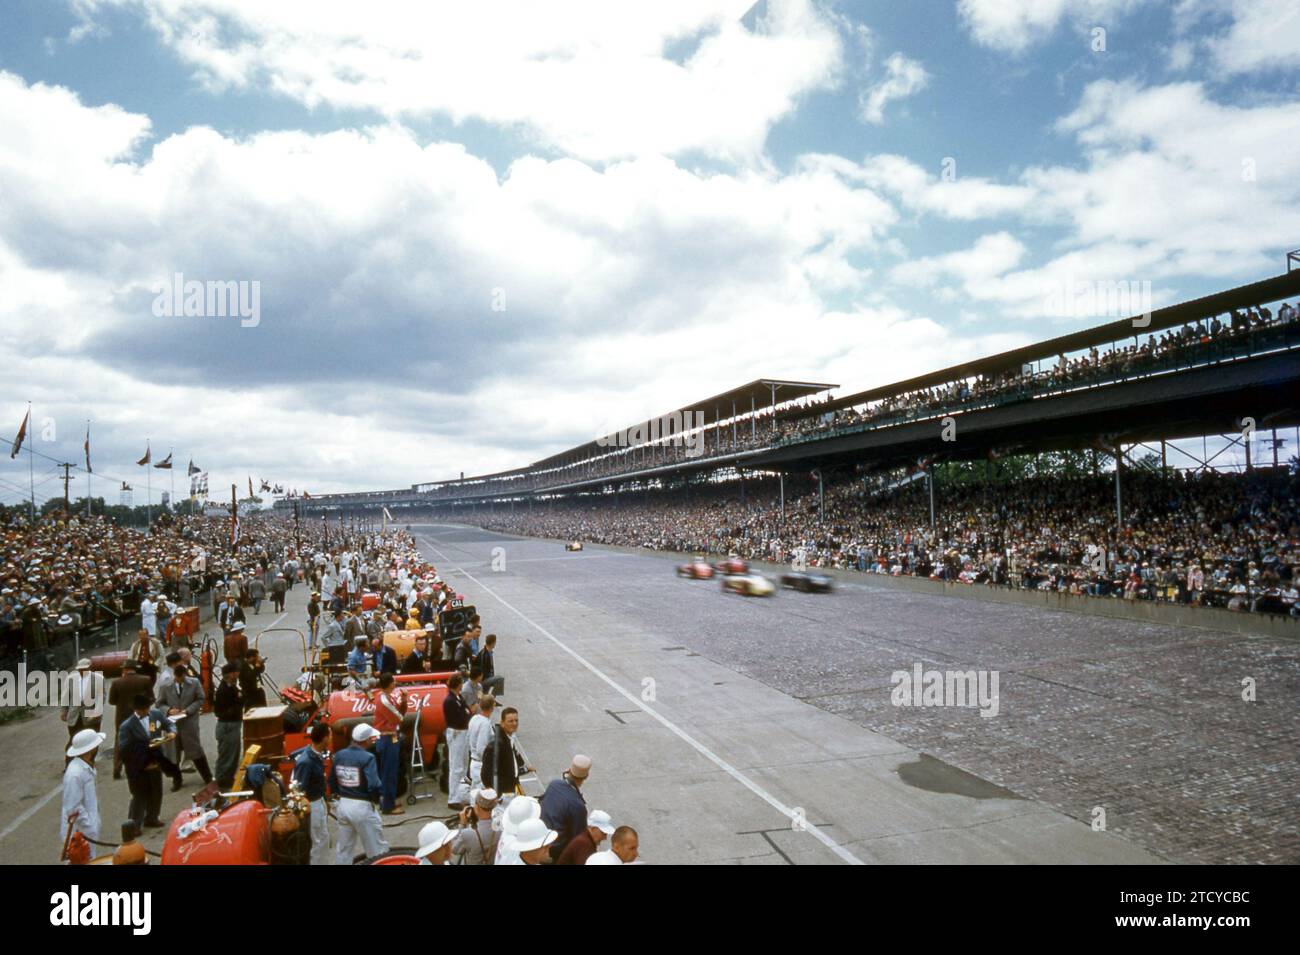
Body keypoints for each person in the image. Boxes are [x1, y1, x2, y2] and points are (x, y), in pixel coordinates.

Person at [118, 692, 181, 828]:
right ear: (136, 709)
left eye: (147, 708)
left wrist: (172, 732)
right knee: (139, 794)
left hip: (155, 758)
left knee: (156, 790)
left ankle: (152, 817)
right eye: (143, 709)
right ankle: (134, 824)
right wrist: (142, 752)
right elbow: (124, 749)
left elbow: (169, 723)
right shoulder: (126, 726)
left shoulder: (155, 715)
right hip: (138, 763)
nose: (146, 711)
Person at [330, 723, 389, 863]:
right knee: (376, 849)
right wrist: (377, 799)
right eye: (371, 738)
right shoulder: (368, 757)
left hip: (343, 804)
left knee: (344, 849)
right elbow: (374, 784)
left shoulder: (339, 755)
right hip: (362, 806)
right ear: (366, 740)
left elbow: (332, 780)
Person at [161, 663, 211, 785]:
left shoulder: (194, 683)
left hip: (189, 722)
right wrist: (169, 710)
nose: (180, 681)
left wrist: (188, 710)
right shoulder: (166, 686)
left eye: (182, 678)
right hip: (173, 724)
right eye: (177, 679)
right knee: (173, 753)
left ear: (185, 674)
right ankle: (177, 780)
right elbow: (159, 704)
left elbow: (200, 699)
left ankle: (207, 777)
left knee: (195, 750)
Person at [291, 723, 332, 865]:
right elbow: (298, 790)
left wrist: (325, 800)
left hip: (318, 802)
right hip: (311, 807)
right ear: (325, 739)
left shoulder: (315, 755)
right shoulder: (306, 762)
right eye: (330, 735)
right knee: (317, 842)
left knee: (323, 839)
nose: (331, 738)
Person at [107, 659, 153, 780]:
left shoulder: (116, 683)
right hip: (141, 714)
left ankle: (117, 768)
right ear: (135, 668)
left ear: (124, 670)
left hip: (122, 716)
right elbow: (151, 697)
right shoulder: (145, 680)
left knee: (120, 741)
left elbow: (112, 701)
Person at [540, 754, 591, 861]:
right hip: (555, 852)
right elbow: (578, 837)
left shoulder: (554, 784)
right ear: (586, 776)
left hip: (541, 839)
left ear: (569, 770)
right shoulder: (577, 805)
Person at [60, 728, 104, 851]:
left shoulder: (85, 766)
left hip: (86, 833)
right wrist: (89, 825)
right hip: (79, 835)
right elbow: (72, 808)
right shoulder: (75, 774)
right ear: (90, 749)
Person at [371, 673, 406, 816]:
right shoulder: (384, 700)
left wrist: (404, 700)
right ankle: (387, 806)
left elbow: (399, 712)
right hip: (387, 739)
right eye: (393, 681)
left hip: (389, 738)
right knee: (388, 773)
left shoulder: (386, 697)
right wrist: (403, 702)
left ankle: (389, 800)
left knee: (389, 771)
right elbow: (399, 718)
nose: (395, 682)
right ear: (390, 684)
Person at [480, 706, 532, 796]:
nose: (514, 723)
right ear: (502, 723)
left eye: (516, 720)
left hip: (512, 786)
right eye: (510, 721)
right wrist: (494, 794)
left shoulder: (508, 739)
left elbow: (513, 764)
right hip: (502, 792)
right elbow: (485, 773)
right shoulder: (497, 745)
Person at [59, 658, 101, 766]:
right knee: (74, 739)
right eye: (80, 670)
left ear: (89, 668)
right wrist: (64, 711)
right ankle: (69, 763)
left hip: (90, 715)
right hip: (74, 715)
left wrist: (96, 712)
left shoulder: (98, 679)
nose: (82, 672)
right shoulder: (71, 679)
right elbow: (65, 696)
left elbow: (101, 698)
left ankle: (89, 761)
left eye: (84, 669)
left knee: (91, 740)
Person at [442, 673, 472, 808]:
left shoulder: (458, 697)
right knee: (455, 767)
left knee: (463, 764)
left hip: (463, 733)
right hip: (456, 733)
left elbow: (468, 711)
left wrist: (466, 712)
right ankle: (453, 798)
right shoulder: (449, 701)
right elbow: (461, 717)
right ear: (458, 684)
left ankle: (461, 794)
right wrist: (466, 712)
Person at [213, 662, 244, 789]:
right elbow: (224, 710)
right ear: (230, 674)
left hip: (232, 724)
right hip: (227, 725)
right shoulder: (224, 690)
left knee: (233, 754)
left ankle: (228, 778)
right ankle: (221, 780)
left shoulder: (231, 686)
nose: (238, 674)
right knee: (227, 754)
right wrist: (240, 700)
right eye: (236, 672)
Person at [451, 788, 500, 864]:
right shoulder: (501, 827)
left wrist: (462, 824)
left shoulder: (467, 833)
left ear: (477, 806)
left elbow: (454, 849)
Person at [467, 693, 496, 789]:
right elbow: (481, 750)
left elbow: (468, 739)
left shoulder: (474, 718)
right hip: (481, 766)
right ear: (492, 708)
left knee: (475, 795)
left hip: (474, 763)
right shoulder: (485, 724)